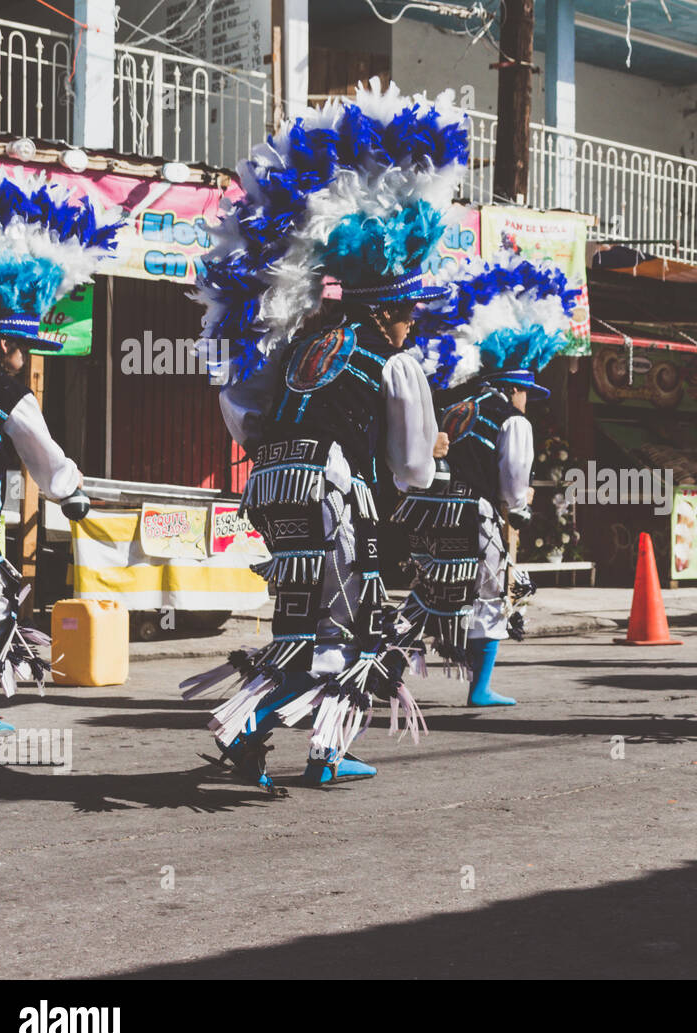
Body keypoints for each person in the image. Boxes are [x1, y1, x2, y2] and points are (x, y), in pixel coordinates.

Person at [182, 80, 466, 789]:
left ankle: (318, 747)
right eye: (410, 314)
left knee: (303, 619)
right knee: (344, 629)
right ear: (389, 312)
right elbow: (411, 470)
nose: (413, 326)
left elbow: (243, 408)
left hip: (274, 485)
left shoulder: (303, 345)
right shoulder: (390, 360)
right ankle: (262, 729)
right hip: (334, 493)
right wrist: (430, 457)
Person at [392, 253, 579, 706]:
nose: (527, 401)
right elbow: (513, 486)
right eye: (527, 393)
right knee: (492, 595)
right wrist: (521, 506)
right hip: (475, 517)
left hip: (432, 511)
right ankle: (480, 687)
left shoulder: (458, 405)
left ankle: (385, 671)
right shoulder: (511, 419)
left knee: (427, 591)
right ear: (517, 387)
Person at [0, 168, 119, 731]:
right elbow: (44, 454)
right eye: (21, 349)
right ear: (5, 340)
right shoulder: (4, 387)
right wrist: (73, 495)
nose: (21, 360)